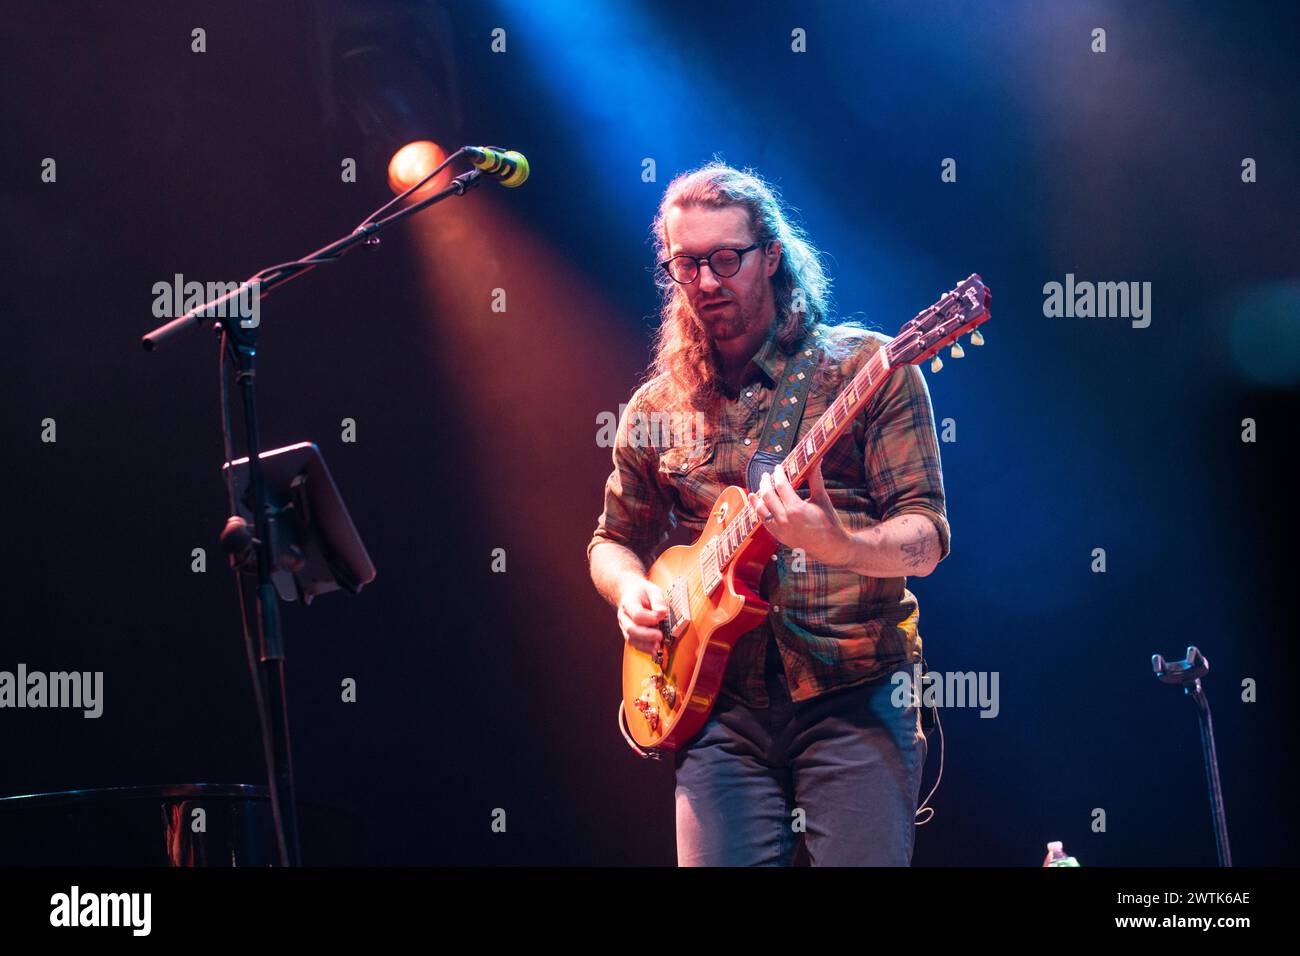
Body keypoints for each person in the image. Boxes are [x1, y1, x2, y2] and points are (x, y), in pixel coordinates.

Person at [586, 162, 950, 866]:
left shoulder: (867, 368)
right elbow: (612, 541)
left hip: (854, 696)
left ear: (772, 255)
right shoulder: (657, 410)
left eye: (726, 258)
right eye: (686, 265)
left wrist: (836, 541)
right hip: (715, 711)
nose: (707, 282)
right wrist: (631, 591)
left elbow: (927, 540)